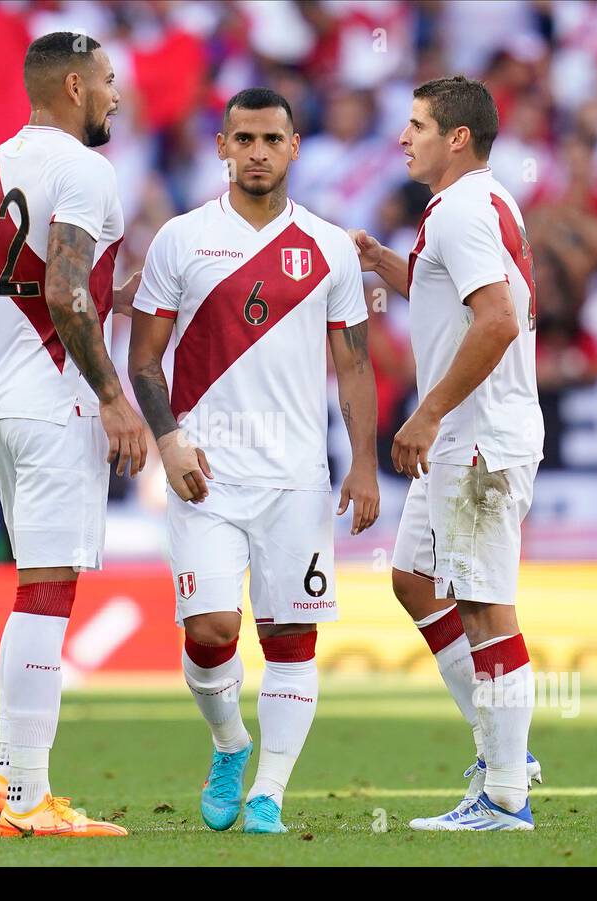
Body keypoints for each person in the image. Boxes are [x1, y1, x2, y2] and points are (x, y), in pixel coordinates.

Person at [128, 88, 379, 835]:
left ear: (295, 146)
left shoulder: (331, 246)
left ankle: (269, 792)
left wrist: (362, 461)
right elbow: (144, 360)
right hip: (204, 469)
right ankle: (230, 743)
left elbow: (355, 365)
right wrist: (169, 441)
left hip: (297, 479)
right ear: (223, 148)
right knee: (208, 629)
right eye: (244, 138)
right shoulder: (180, 238)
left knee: (291, 639)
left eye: (273, 138)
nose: (258, 151)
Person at [350, 76, 544, 831]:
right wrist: (380, 260)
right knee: (414, 581)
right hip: (471, 431)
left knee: (484, 603)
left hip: (475, 435)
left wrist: (427, 414)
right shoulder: (478, 202)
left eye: (418, 124)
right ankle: (504, 751)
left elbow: (495, 322)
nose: (404, 137)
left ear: (456, 137)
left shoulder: (461, 210)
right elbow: (459, 301)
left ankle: (504, 795)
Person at [0, 32, 146, 838]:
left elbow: (48, 284)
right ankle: (31, 797)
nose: (116, 96)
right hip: (57, 400)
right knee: (47, 593)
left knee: (37, 588)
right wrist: (114, 397)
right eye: (109, 82)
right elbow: (67, 291)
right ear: (75, 85)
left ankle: (9, 774)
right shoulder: (86, 168)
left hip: (1, 398)